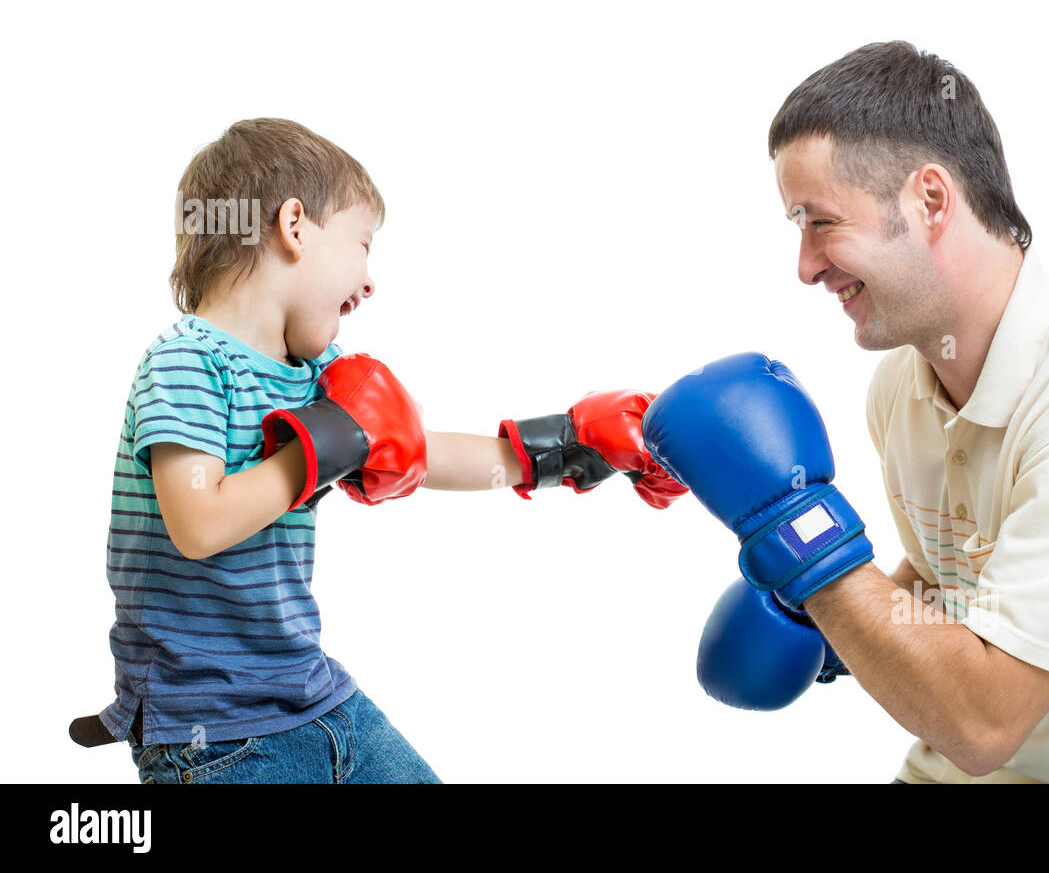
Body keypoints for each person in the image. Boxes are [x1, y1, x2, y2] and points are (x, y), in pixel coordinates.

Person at [656, 41, 1049, 782]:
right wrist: (823, 626)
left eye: (822, 223)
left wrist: (799, 539)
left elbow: (983, 722)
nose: (805, 267)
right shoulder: (902, 387)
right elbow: (953, 579)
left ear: (930, 201)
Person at [79, 118, 684, 783]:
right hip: (212, 734)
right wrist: (323, 443)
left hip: (315, 696)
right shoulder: (187, 360)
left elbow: (419, 453)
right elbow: (199, 523)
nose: (369, 283)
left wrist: (561, 447)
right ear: (294, 226)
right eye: (362, 245)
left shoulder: (317, 373)